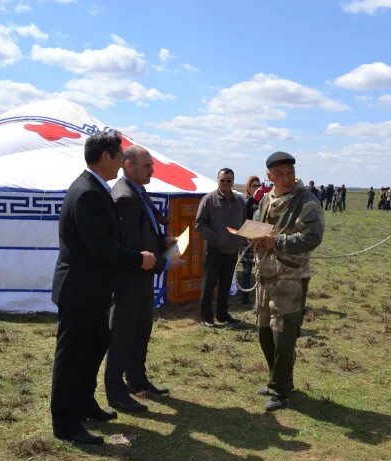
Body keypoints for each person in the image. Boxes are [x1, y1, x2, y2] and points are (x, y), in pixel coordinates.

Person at [50, 131, 156, 444]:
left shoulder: (96, 188)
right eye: (119, 156)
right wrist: (138, 259)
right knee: (72, 356)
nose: (122, 162)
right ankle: (66, 424)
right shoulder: (87, 193)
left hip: (94, 289)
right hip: (80, 290)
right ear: (106, 157)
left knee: (93, 347)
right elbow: (101, 247)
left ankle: (85, 404)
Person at [107, 145, 179, 413]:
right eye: (147, 166)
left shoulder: (137, 191)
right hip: (129, 280)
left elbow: (145, 231)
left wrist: (163, 242)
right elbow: (131, 247)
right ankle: (116, 393)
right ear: (129, 166)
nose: (153, 170)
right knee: (122, 335)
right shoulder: (125, 197)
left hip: (141, 280)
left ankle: (137, 381)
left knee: (140, 332)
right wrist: (165, 262)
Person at [252, 151, 324, 411]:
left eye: (290, 173)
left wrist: (278, 242)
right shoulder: (266, 199)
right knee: (264, 333)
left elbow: (313, 237)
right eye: (280, 174)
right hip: (265, 275)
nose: (287, 178)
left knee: (284, 336)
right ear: (269, 176)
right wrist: (253, 236)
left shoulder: (307, 201)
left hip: (291, 278)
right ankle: (276, 379)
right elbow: (259, 226)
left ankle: (281, 390)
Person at [195, 168, 247, 326]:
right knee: (209, 284)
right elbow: (200, 223)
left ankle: (222, 314)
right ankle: (206, 317)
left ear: (233, 182)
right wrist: (215, 238)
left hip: (232, 250)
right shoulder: (209, 199)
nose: (225, 183)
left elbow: (244, 222)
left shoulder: (240, 201)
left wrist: (243, 238)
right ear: (218, 181)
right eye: (222, 180)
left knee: (225, 284)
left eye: (229, 180)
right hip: (214, 250)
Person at [241, 176, 262, 303]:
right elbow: (243, 215)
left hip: (260, 240)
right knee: (247, 269)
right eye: (254, 185)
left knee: (260, 269)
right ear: (248, 187)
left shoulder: (263, 201)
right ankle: (245, 297)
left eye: (259, 185)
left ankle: (260, 296)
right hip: (247, 240)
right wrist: (253, 199)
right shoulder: (245, 200)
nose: (257, 188)